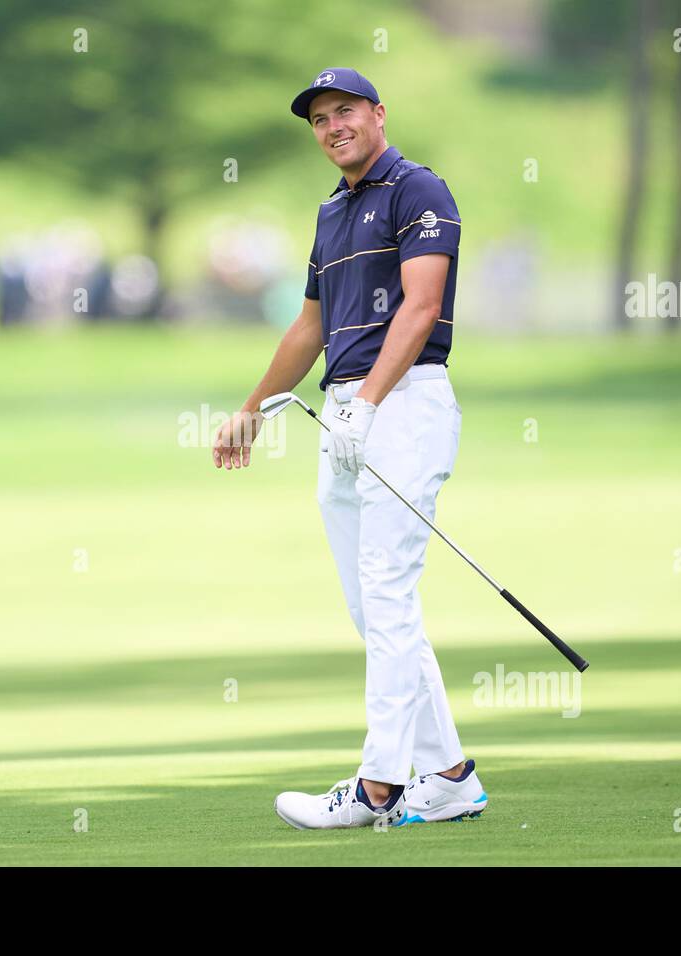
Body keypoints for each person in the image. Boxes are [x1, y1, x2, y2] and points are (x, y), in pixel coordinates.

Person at [211, 68, 486, 829]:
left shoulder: (417, 191)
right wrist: (252, 410)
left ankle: (378, 788)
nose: (332, 127)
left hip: (401, 406)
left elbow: (422, 307)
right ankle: (452, 776)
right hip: (344, 416)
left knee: (389, 596)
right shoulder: (333, 210)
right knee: (375, 610)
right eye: (319, 119)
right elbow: (309, 325)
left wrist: (366, 405)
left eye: (344, 112)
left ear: (377, 114)